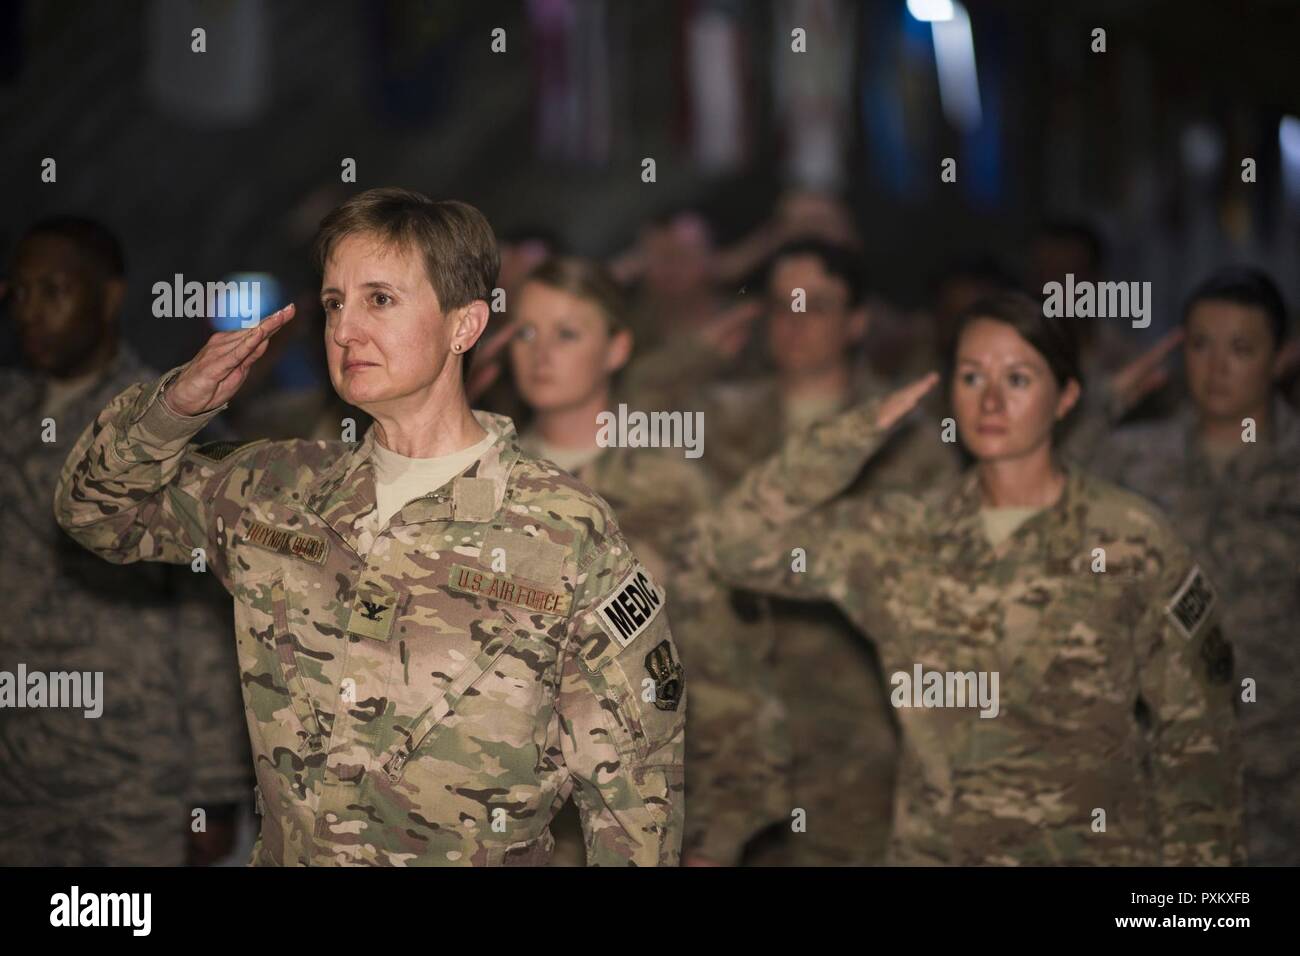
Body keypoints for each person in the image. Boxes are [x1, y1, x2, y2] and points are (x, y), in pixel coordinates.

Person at [54, 188, 686, 866]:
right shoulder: (274, 488)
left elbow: (633, 789)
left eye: (379, 299)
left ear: (465, 326)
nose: (346, 330)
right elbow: (95, 512)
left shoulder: (563, 531)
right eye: (334, 304)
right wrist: (173, 408)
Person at [695, 290, 1245, 865]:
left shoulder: (1134, 540)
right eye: (972, 376)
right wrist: (847, 437)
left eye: (1018, 379)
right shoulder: (898, 536)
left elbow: (1198, 737)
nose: (991, 400)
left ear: (1066, 398)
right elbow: (733, 545)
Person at [506, 256, 790, 866]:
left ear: (617, 348)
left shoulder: (674, 490)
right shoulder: (484, 481)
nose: (540, 353)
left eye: (567, 333)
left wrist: (712, 841)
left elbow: (724, 680)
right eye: (526, 332)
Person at [0, 216, 249, 866]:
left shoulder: (163, 424)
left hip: (135, 768)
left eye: (54, 290)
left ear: (109, 297)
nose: (31, 311)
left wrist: (215, 790)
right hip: (17, 770)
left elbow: (207, 614)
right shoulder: (5, 415)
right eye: (18, 293)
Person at [1098, 267, 1300, 866]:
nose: (1216, 368)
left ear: (1282, 357)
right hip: (1153, 775)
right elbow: (1030, 488)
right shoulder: (1131, 457)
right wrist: (1104, 402)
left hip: (1278, 781)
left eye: (1241, 349)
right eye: (1200, 345)